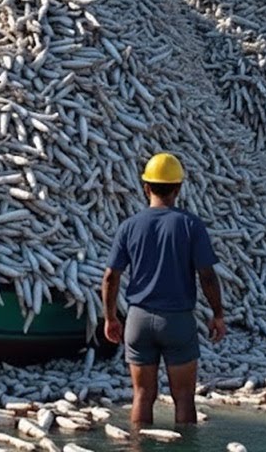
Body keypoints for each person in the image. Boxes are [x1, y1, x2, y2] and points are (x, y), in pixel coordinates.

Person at [102, 152, 226, 427]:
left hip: (138, 319)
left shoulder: (129, 226)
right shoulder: (190, 225)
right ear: (178, 188)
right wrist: (217, 314)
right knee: (183, 397)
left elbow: (111, 276)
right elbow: (206, 275)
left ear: (146, 187)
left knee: (142, 395)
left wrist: (111, 317)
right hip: (177, 320)